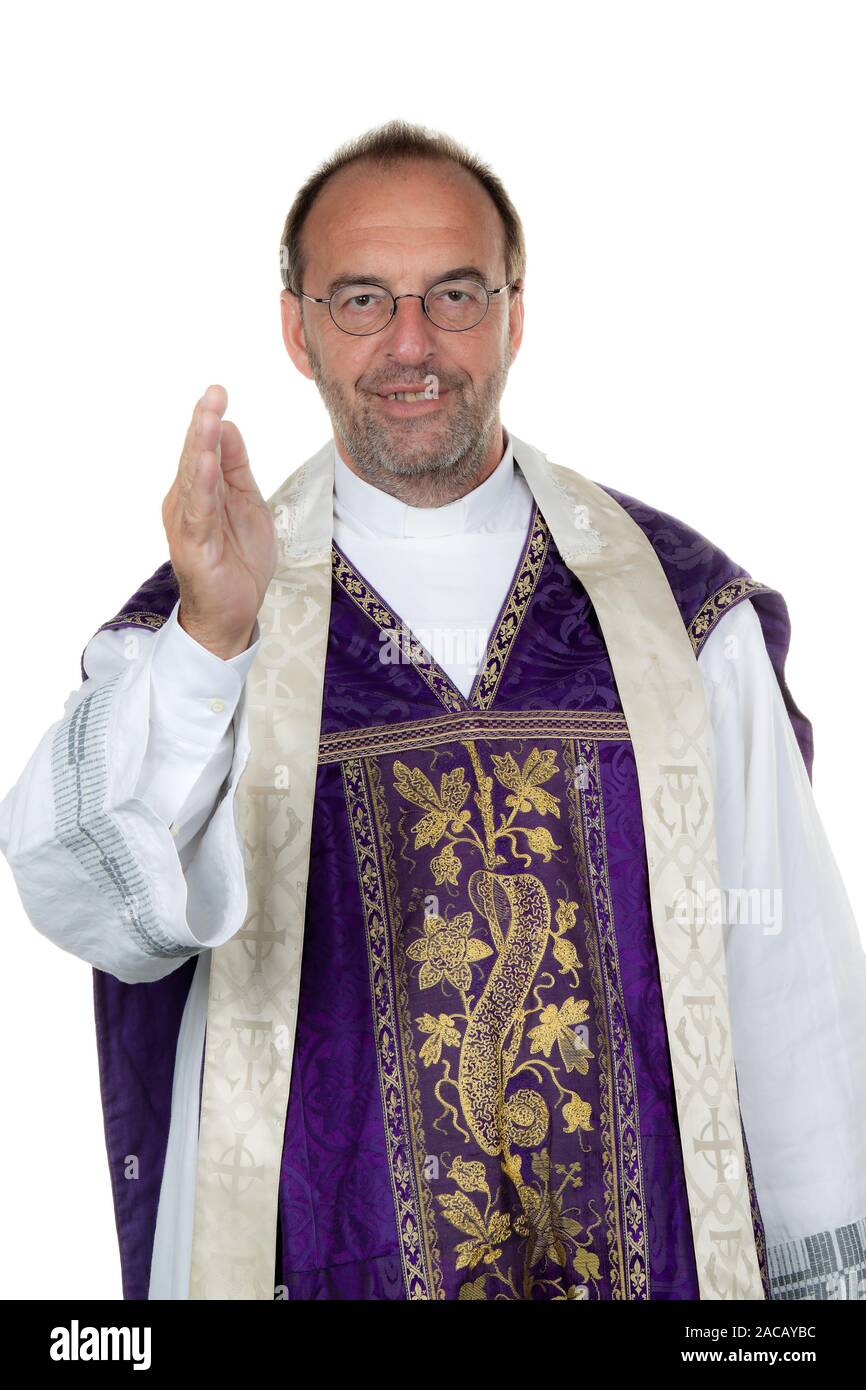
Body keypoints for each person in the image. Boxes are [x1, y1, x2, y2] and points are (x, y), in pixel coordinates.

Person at [2, 119, 865, 1303]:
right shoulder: (205, 617)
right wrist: (209, 640)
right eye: (360, 300)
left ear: (516, 310)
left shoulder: (679, 614)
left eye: (453, 293)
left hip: (650, 1259)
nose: (411, 344)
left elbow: (787, 974)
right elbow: (87, 899)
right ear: (296, 328)